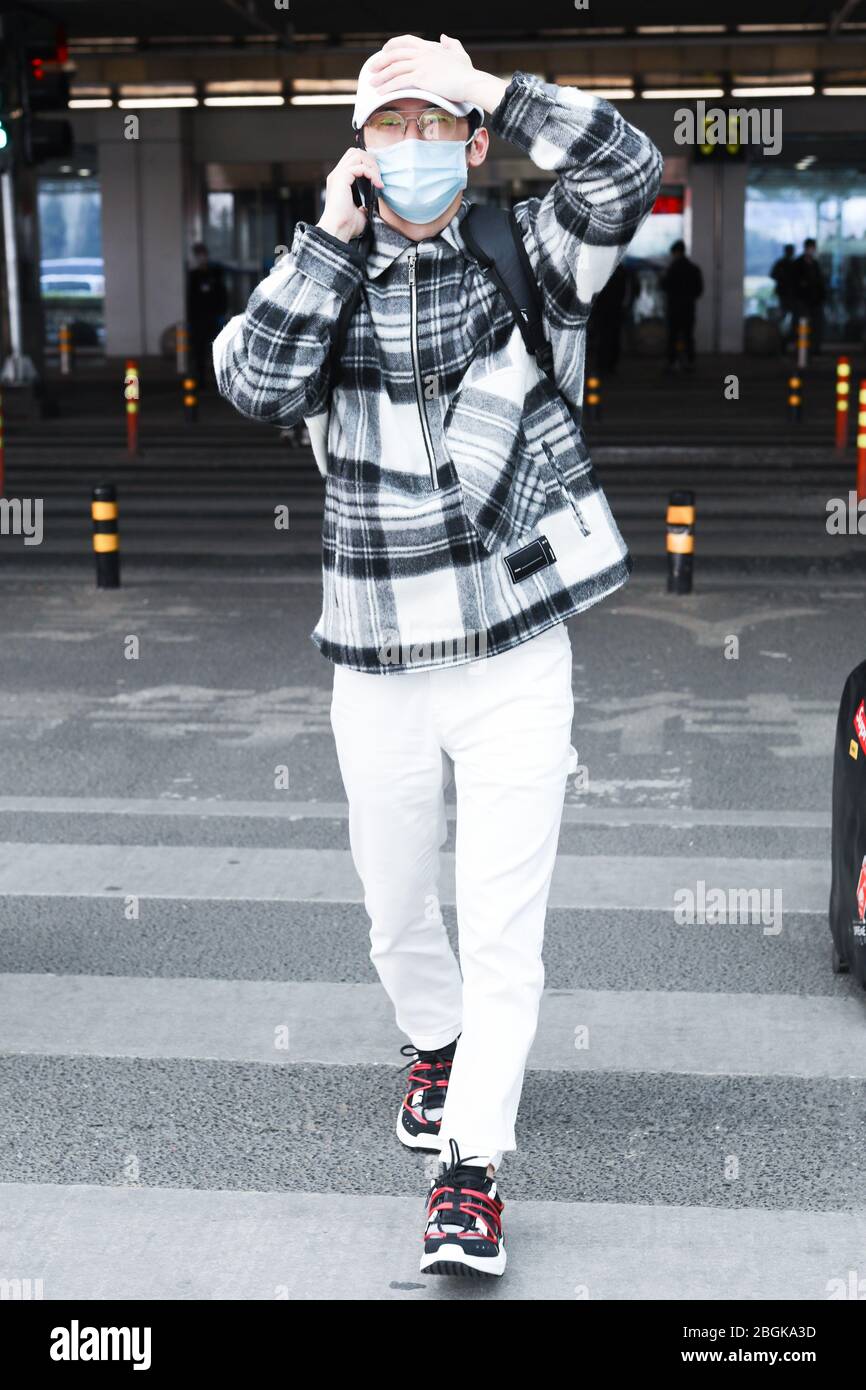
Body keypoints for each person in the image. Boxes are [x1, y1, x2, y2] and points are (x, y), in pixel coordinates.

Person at [214, 32, 662, 1278]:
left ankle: (470, 1171)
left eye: (433, 124)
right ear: (359, 153)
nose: (411, 147)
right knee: (395, 899)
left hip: (518, 651)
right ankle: (431, 1037)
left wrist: (494, 91)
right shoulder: (325, 272)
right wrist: (326, 240)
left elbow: (626, 169)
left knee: (504, 925)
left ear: (467, 142)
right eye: (387, 127)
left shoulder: (529, 251)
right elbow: (250, 382)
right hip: (377, 657)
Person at [186, 242, 227, 389]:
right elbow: (190, 299)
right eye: (198, 255)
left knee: (216, 348)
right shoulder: (193, 276)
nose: (201, 257)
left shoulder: (215, 274)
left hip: (213, 318)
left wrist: (222, 312)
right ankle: (201, 379)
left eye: (203, 254)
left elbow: (222, 294)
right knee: (199, 351)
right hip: (198, 320)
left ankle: (218, 379)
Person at [661, 239, 703, 372]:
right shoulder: (694, 268)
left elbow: (664, 286)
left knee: (672, 336)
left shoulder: (671, 269)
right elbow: (699, 289)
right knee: (688, 336)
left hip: (673, 308)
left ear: (676, 252)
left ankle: (672, 363)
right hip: (688, 308)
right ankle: (689, 362)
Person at [791, 237, 827, 356]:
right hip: (802, 301)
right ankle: (801, 351)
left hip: (815, 301)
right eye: (810, 248)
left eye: (813, 248)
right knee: (802, 326)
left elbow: (819, 282)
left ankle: (814, 349)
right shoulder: (798, 264)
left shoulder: (815, 264)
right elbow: (794, 283)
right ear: (806, 248)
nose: (812, 250)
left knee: (817, 326)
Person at [770, 243, 797, 348]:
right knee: (783, 319)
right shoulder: (782, 263)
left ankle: (787, 340)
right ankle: (783, 341)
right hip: (785, 295)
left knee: (791, 319)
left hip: (791, 295)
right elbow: (773, 275)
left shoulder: (792, 263)